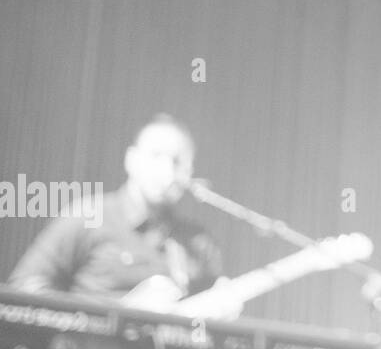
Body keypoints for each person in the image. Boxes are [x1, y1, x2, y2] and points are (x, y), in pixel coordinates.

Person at [8, 114, 233, 317]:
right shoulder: (90, 215)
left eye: (177, 161)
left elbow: (204, 321)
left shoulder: (197, 241)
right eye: (156, 156)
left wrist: (221, 311)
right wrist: (106, 317)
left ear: (189, 171)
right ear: (131, 160)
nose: (166, 169)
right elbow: (25, 287)